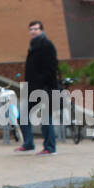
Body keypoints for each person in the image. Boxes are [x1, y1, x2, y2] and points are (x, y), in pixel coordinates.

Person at [20, 19, 59, 156]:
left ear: (41, 30)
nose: (33, 31)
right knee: (23, 116)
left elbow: (50, 69)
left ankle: (50, 147)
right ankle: (29, 144)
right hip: (32, 88)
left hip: (44, 89)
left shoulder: (46, 45)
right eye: (31, 29)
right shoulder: (33, 45)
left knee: (46, 119)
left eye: (36, 29)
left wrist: (42, 86)